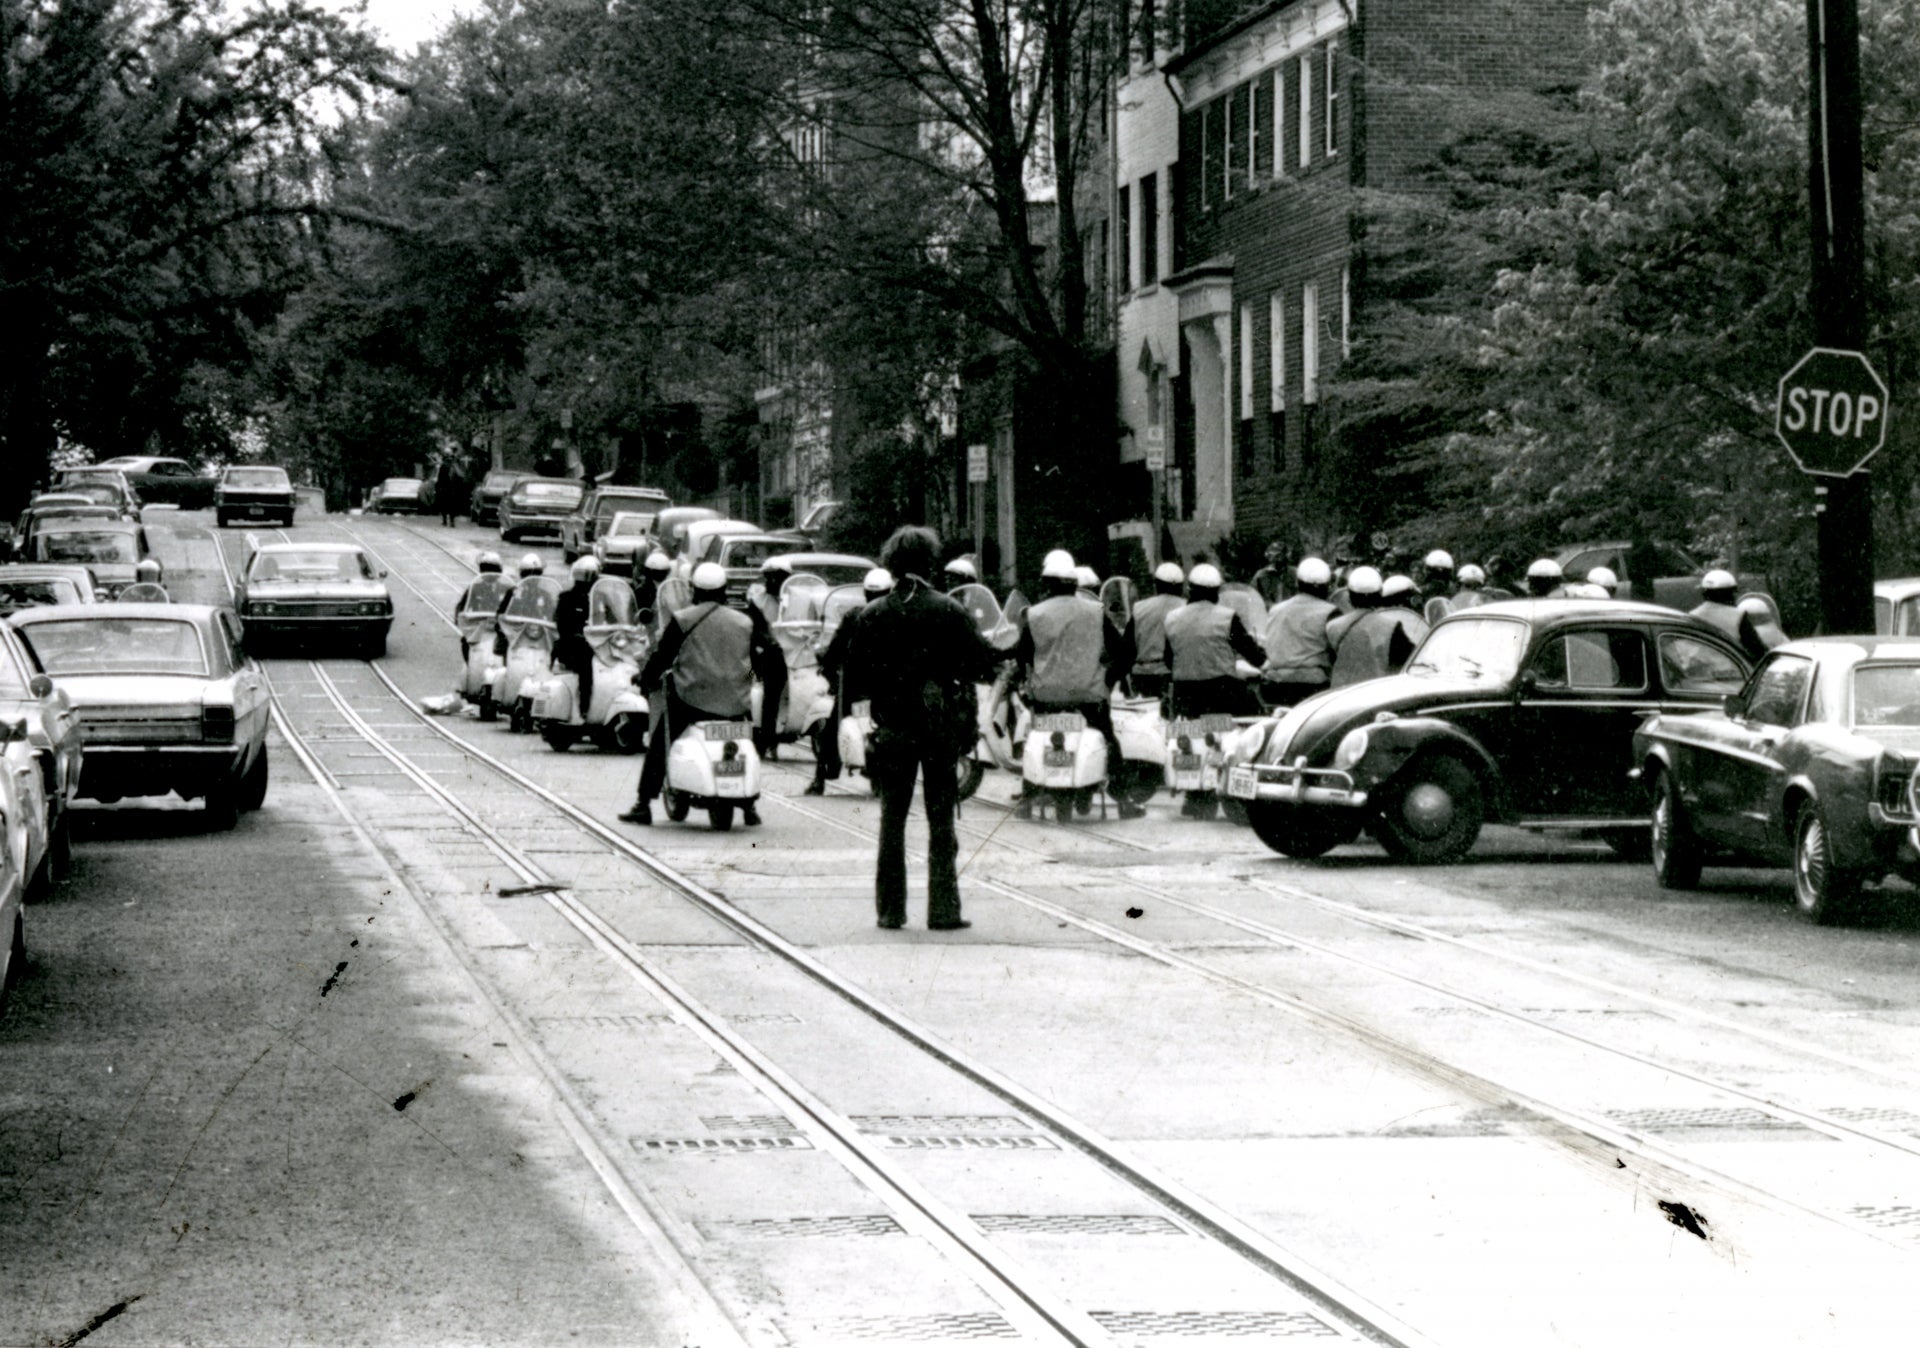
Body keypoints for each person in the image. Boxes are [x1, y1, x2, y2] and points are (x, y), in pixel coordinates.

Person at [841, 526, 999, 931]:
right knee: (941, 820)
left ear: (891, 564)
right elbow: (982, 664)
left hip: (893, 728)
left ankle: (890, 910)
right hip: (938, 729)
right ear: (930, 563)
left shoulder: (872, 614)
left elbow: (855, 676)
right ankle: (943, 910)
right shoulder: (948, 609)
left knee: (892, 820)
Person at [620, 562, 765, 827]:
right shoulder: (744, 622)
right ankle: (749, 806)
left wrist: (646, 679)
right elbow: (756, 662)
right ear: (724, 591)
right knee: (745, 742)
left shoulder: (683, 619)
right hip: (735, 703)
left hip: (692, 701)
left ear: (694, 591)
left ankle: (643, 803)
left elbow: (662, 657)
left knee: (660, 743)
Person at [1011, 549, 1138, 820]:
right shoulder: (1095, 611)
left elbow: (1022, 657)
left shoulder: (1034, 614)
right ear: (1074, 583)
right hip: (1089, 697)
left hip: (1047, 699)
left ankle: (1028, 796)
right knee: (1107, 739)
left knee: (1037, 741)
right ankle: (1123, 799)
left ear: (1047, 583)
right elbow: (1123, 652)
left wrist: (1025, 686)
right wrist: (1108, 679)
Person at [1164, 562, 1264, 819]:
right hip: (1223, 691)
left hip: (1186, 694)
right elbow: (1251, 653)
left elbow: (1168, 658)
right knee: (1255, 724)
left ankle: (1193, 794)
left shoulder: (1172, 619)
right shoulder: (1227, 617)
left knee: (1188, 734)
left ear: (1190, 590)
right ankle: (1242, 783)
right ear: (1216, 591)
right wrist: (1265, 661)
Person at [805, 568, 895, 795]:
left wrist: (825, 663)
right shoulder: (898, 616)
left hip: (855, 687)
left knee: (831, 730)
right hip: (888, 688)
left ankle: (820, 780)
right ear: (890, 592)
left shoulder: (855, 616)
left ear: (866, 593)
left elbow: (835, 649)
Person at [1329, 568, 1426, 687]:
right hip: (1375, 693)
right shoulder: (1391, 627)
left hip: (1338, 694)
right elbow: (1412, 657)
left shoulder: (1332, 626)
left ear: (1349, 596)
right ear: (1379, 594)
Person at [1261, 557, 1337, 707]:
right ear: (1327, 586)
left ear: (1297, 583)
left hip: (1274, 683)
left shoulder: (1275, 610)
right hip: (1312, 685)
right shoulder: (1331, 612)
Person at [749, 557, 792, 759]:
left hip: (796, 654)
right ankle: (766, 737)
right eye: (770, 577)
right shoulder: (758, 601)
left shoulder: (798, 599)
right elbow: (756, 631)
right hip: (769, 656)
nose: (773, 582)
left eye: (779, 577)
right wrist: (771, 642)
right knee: (770, 693)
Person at [1129, 562, 1185, 702]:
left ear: (1157, 585)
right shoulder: (1187, 607)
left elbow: (1128, 645)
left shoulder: (1139, 607)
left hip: (1141, 675)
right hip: (1171, 675)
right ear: (1180, 586)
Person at [554, 555, 600, 718]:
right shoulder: (567, 598)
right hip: (573, 647)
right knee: (586, 665)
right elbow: (562, 625)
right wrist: (578, 635)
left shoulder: (600, 599)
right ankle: (584, 706)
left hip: (599, 646)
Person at [1692, 570, 1771, 660]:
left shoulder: (1692, 615)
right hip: (1731, 669)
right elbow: (1757, 649)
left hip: (1697, 669)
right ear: (1729, 593)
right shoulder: (1738, 616)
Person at [455, 551, 511, 661]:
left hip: (499, 627)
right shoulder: (475, 588)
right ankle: (470, 666)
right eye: (485, 569)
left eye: (492, 570)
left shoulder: (506, 588)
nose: (488, 573)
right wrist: (459, 617)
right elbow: (462, 605)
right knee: (465, 642)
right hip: (479, 626)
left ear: (499, 571)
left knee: (509, 645)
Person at [494, 553, 546, 656]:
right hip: (516, 634)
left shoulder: (544, 595)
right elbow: (500, 614)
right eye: (528, 575)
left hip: (537, 635)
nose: (533, 578)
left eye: (536, 574)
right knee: (503, 644)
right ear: (522, 575)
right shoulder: (513, 592)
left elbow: (551, 615)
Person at [632, 550, 672, 617]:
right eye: (657, 573)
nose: (661, 577)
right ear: (649, 573)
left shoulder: (670, 588)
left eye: (664, 573)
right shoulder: (641, 592)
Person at [1420, 550, 1456, 625]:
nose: (1437, 583)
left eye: (1442, 577)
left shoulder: (1455, 593)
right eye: (1435, 576)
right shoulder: (1420, 594)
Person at [1250, 541, 1290, 607]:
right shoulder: (1260, 576)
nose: (1275, 559)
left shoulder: (1294, 573)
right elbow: (1253, 597)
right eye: (1271, 556)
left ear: (1285, 555)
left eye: (1279, 556)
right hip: (1269, 614)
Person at [435, 455, 462, 527]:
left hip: (447, 489)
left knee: (446, 505)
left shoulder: (446, 467)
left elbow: (440, 478)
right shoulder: (452, 467)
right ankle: (450, 521)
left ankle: (447, 521)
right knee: (450, 506)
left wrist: (438, 487)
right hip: (450, 489)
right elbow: (460, 478)